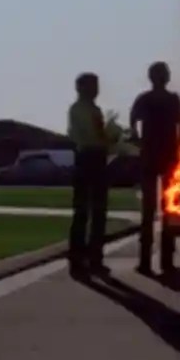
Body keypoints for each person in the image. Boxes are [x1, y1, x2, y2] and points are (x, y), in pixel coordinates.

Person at [130, 61, 180, 275]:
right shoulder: (172, 100)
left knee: (149, 210)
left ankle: (146, 262)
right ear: (165, 77)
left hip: (151, 157)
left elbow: (132, 121)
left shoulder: (144, 99)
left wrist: (137, 138)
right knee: (167, 210)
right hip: (166, 157)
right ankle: (166, 262)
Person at [67, 72, 111, 276]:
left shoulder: (84, 109)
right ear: (81, 88)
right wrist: (111, 134)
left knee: (88, 212)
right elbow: (98, 134)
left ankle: (85, 259)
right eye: (93, 86)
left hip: (88, 157)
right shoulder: (86, 110)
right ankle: (88, 259)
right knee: (92, 211)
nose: (96, 89)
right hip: (91, 157)